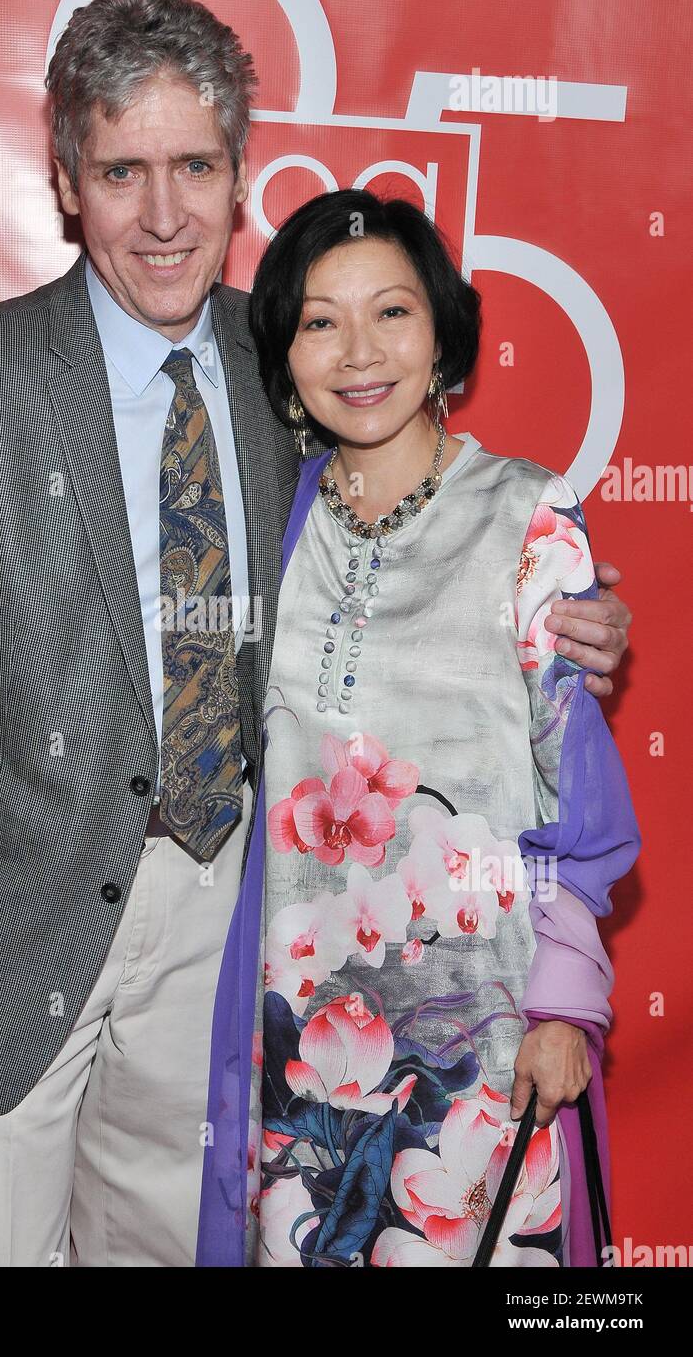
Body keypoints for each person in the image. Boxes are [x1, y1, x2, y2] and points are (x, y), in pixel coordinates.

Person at [0, 0, 630, 1270]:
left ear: (241, 176)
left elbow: (419, 521)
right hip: (6, 927)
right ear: (67, 180)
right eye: (123, 171)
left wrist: (567, 611)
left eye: (194, 166)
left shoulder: (288, 356)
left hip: (223, 924)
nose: (165, 214)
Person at [193, 189, 640, 1268]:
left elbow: (573, 789)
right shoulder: (266, 519)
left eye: (390, 312)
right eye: (317, 320)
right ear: (285, 356)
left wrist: (565, 1011)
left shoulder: (526, 515)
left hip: (480, 1042)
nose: (358, 351)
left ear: (441, 331)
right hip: (297, 1049)